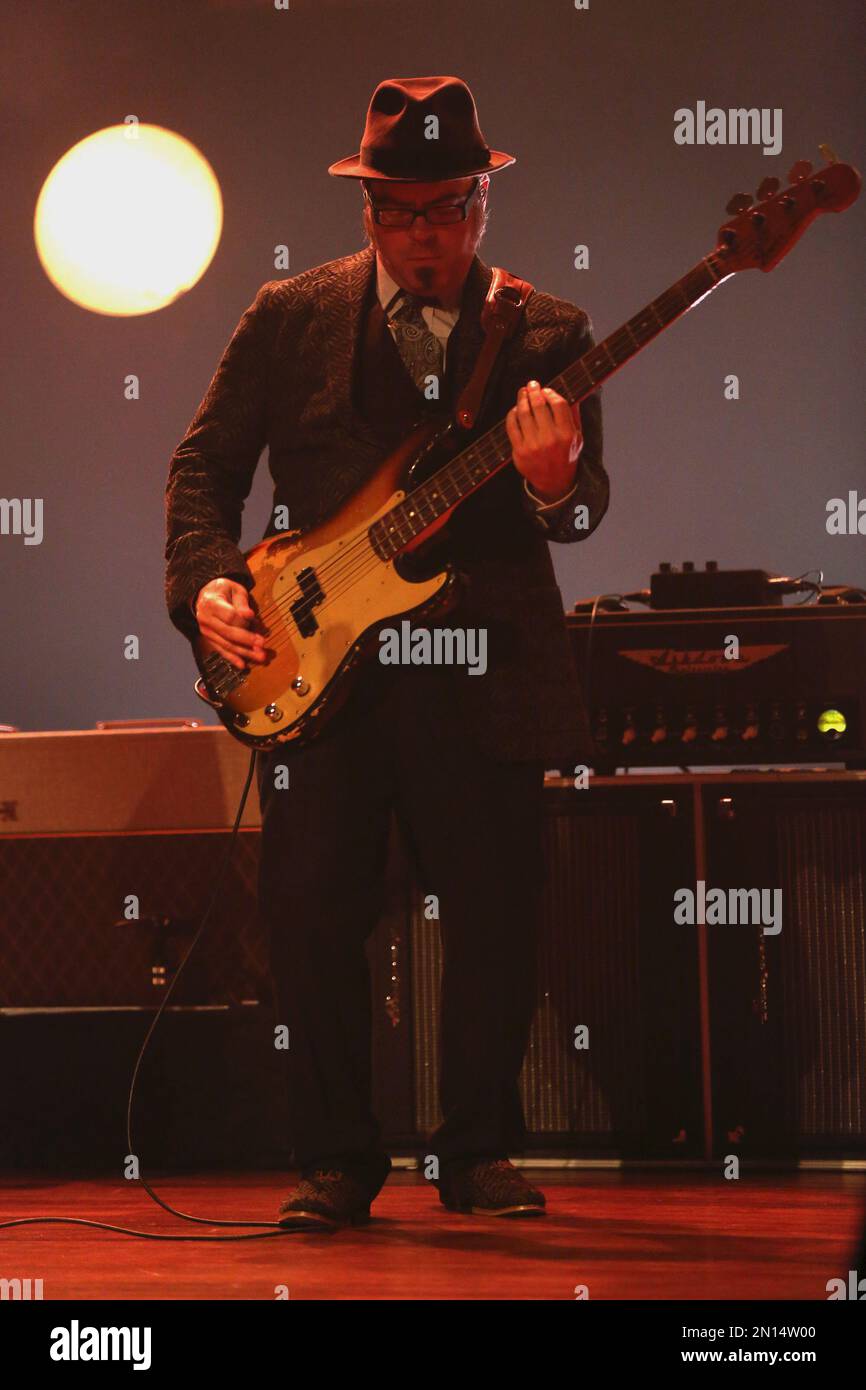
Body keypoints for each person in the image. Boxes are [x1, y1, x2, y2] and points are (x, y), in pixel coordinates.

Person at [164, 75, 610, 1230]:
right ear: (367, 213)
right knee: (309, 916)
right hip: (322, 679)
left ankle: (476, 1153)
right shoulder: (287, 315)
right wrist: (205, 580)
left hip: (486, 673)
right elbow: (203, 468)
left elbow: (580, 505)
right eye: (403, 211)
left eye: (448, 208)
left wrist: (558, 485)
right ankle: (335, 1161)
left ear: (480, 207)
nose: (427, 234)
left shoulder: (547, 332)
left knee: (495, 915)